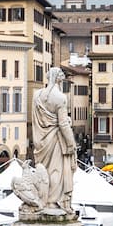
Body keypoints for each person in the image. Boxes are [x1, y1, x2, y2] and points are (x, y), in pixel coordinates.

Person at [31, 67, 77, 214]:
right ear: (59, 78)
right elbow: (63, 124)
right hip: (57, 139)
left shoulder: (36, 96)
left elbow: (36, 120)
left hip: (42, 140)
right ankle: (52, 201)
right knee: (56, 170)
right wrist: (71, 143)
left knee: (44, 170)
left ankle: (41, 198)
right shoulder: (60, 98)